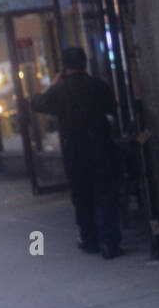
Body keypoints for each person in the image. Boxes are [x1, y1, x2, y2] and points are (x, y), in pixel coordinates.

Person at [31, 48, 140, 259]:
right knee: (105, 194)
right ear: (85, 64)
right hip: (101, 147)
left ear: (63, 66)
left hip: (75, 150)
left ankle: (90, 240)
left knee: (82, 196)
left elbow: (37, 103)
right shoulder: (97, 85)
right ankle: (109, 242)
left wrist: (53, 84)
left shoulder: (59, 90)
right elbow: (112, 106)